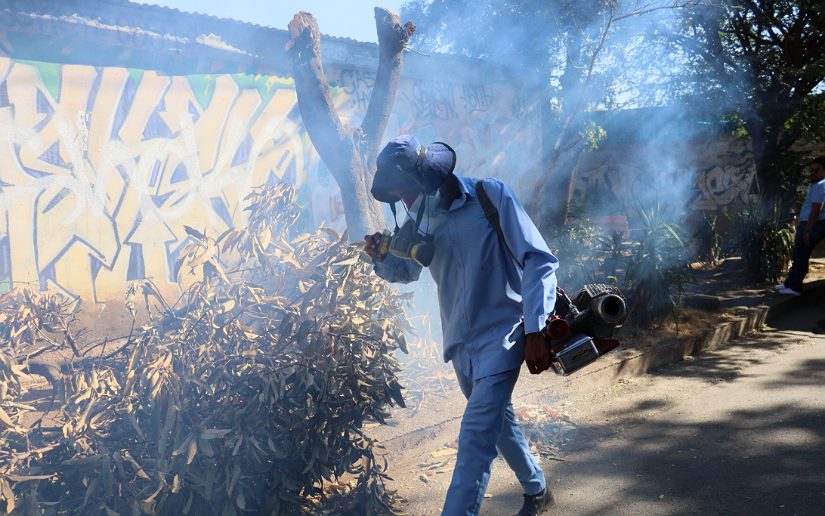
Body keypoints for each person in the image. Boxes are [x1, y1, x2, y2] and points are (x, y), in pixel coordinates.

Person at [363, 135, 559, 516]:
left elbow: (539, 259)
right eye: (399, 197)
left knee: (474, 440)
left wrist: (535, 329)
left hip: (505, 338)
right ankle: (538, 489)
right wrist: (381, 257)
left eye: (406, 193)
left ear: (427, 178)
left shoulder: (490, 197)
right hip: (460, 347)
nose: (406, 204)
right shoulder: (421, 221)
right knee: (499, 424)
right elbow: (406, 272)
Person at [776, 156, 825, 296]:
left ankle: (795, 287)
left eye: (816, 170)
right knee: (798, 254)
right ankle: (789, 283)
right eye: (812, 170)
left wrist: (808, 230)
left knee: (801, 255)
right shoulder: (818, 184)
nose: (813, 173)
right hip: (809, 223)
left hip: (812, 224)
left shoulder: (821, 185)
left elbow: (816, 210)